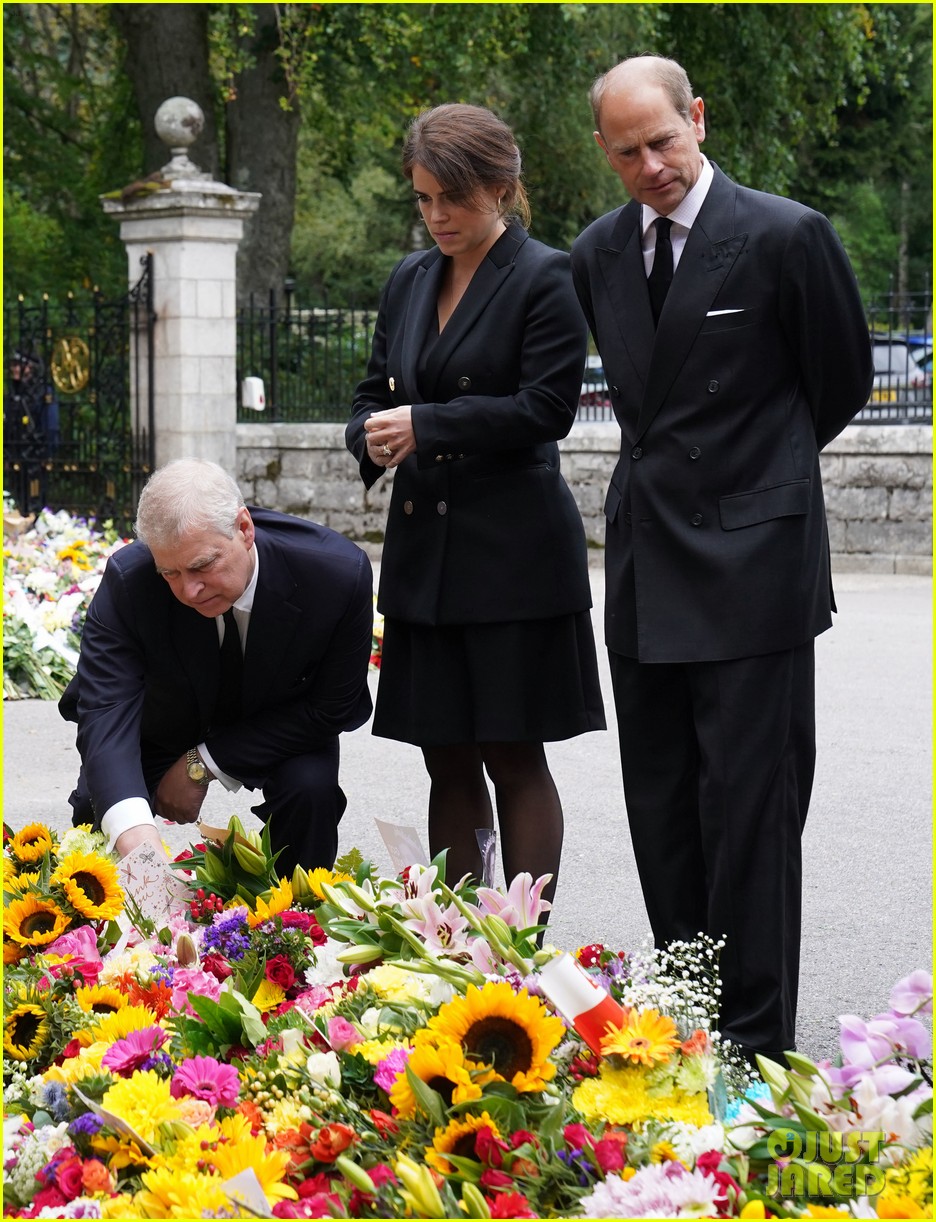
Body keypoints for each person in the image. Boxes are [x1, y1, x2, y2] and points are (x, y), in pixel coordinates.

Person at [570, 56, 873, 1066]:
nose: (652, 164)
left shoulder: (788, 235)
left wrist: (752, 487)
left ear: (697, 117)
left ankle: (754, 1043)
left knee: (750, 813)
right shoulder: (599, 252)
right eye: (628, 152)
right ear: (605, 154)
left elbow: (837, 384)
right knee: (661, 805)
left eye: (665, 139)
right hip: (648, 564)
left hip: (756, 568)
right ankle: (691, 1016)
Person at [346, 103, 605, 906]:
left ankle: (521, 953)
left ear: (500, 185)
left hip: (513, 556)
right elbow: (372, 392)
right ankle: (457, 944)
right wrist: (372, 435)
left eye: (450, 199)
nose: (435, 217)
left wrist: (427, 425)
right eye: (422, 199)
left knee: (512, 754)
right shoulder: (410, 277)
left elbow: (547, 408)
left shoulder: (547, 275)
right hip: (427, 557)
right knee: (443, 754)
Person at [59, 458, 374, 876]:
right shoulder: (129, 581)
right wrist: (138, 842)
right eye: (169, 573)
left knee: (310, 790)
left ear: (244, 530)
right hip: (167, 720)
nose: (188, 590)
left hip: (280, 723)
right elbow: (105, 713)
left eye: (202, 566)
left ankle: (297, 920)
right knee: (100, 805)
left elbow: (330, 709)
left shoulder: (337, 576)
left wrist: (201, 764)